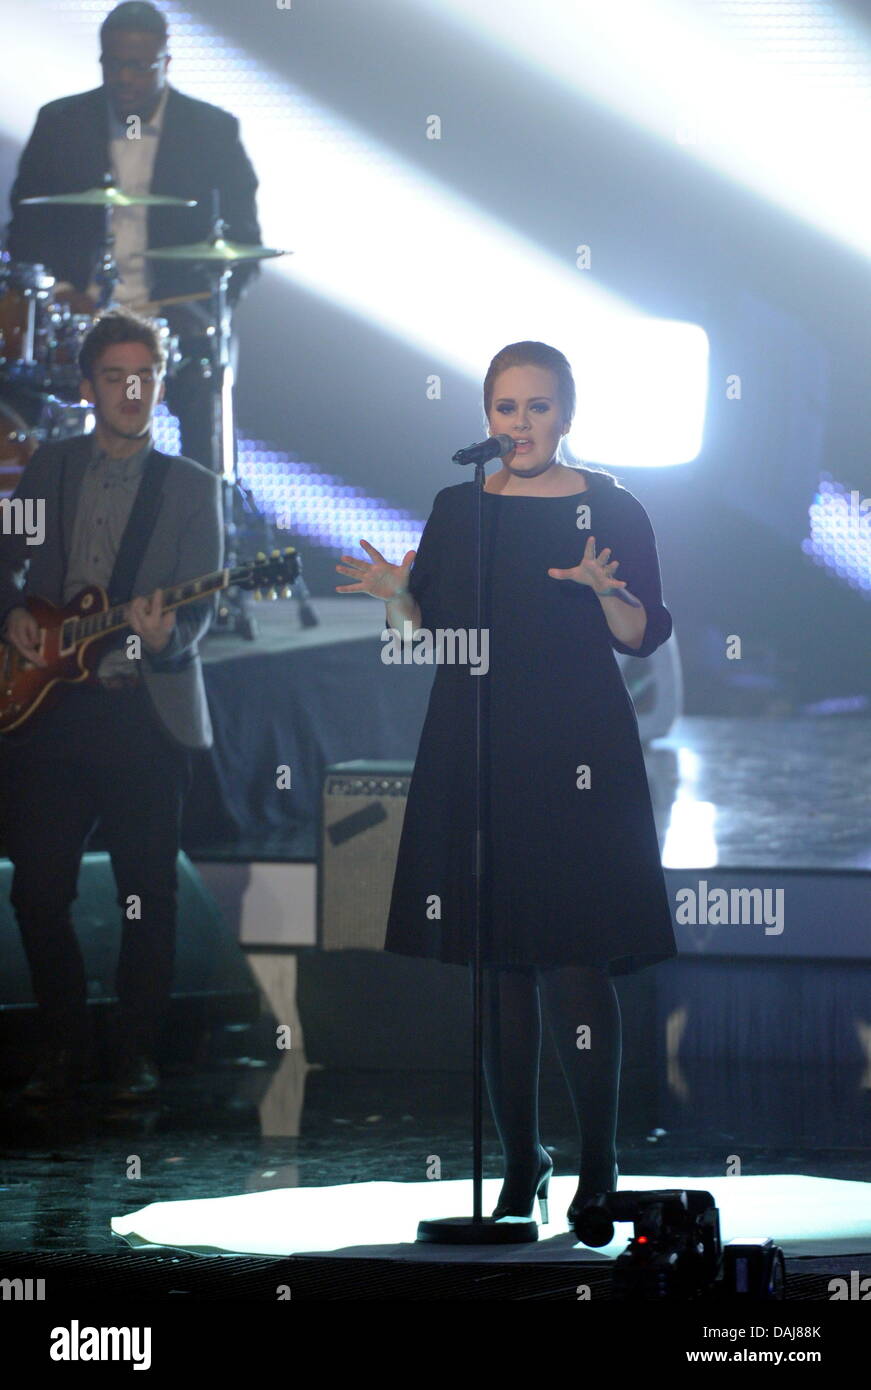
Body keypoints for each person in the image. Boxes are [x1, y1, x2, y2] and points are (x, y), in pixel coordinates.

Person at [336, 340, 677, 1228]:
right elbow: (431, 638)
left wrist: (604, 591)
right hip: (476, 746)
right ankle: (524, 1162)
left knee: (573, 958)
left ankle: (598, 1165)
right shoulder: (460, 507)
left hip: (576, 750)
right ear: (485, 418)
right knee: (497, 968)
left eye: (536, 408)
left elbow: (643, 633)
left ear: (566, 414)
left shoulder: (611, 504)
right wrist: (393, 598)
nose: (518, 424)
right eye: (503, 408)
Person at [0, 308, 223, 1102]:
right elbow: (8, 552)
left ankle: (133, 1056)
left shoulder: (195, 489)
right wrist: (13, 610)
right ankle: (64, 1046)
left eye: (145, 375)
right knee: (36, 890)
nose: (132, 389)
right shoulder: (49, 466)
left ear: (158, 384)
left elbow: (202, 611)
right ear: (87, 385)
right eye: (114, 375)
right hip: (49, 711)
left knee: (145, 890)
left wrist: (166, 638)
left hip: (140, 711)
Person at [5, 0, 261, 471]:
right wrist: (62, 294)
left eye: (138, 66)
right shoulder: (60, 122)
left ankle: (202, 516)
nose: (124, 78)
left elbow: (244, 244)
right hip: (78, 317)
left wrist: (200, 306)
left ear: (165, 62)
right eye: (114, 64)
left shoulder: (212, 131)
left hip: (173, 318)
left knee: (204, 400)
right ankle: (39, 518)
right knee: (16, 381)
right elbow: (25, 229)